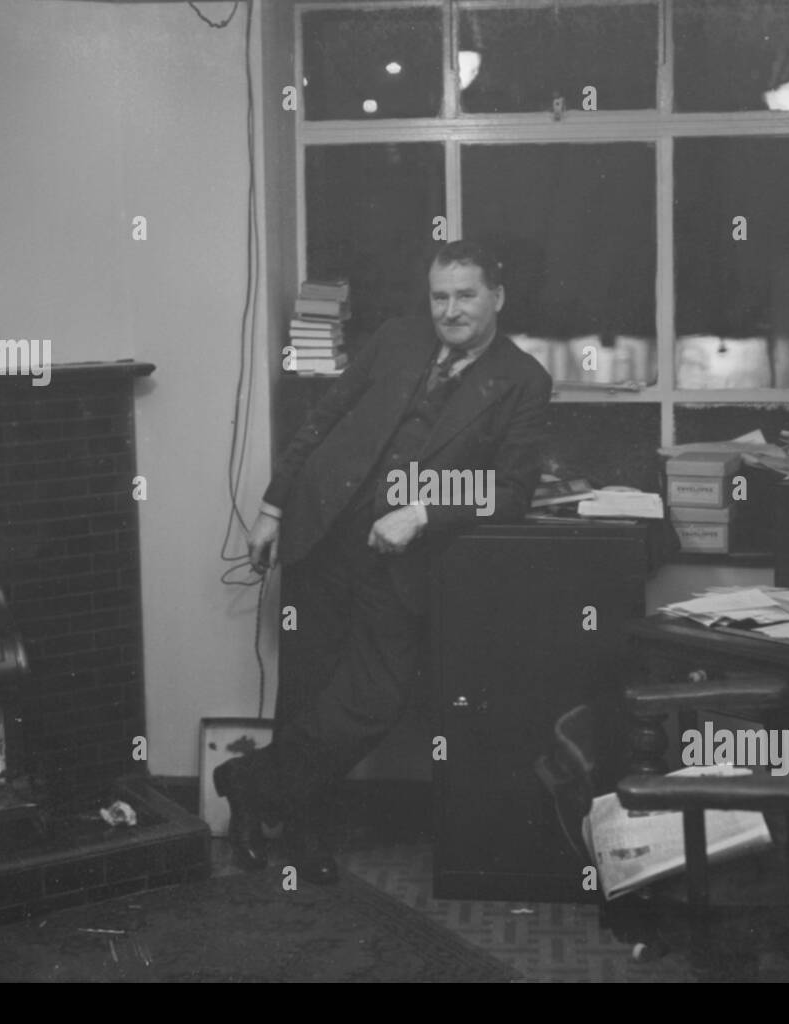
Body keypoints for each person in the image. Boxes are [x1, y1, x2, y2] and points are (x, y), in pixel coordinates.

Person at [214, 240, 552, 884]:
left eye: (465, 295)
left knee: (375, 698)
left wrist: (422, 513)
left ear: (497, 298)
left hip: (399, 558)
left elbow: (511, 490)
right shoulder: (397, 338)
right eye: (440, 296)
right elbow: (322, 420)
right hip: (322, 531)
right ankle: (298, 834)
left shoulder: (523, 380)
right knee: (308, 690)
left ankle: (246, 781)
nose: (450, 310)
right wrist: (273, 508)